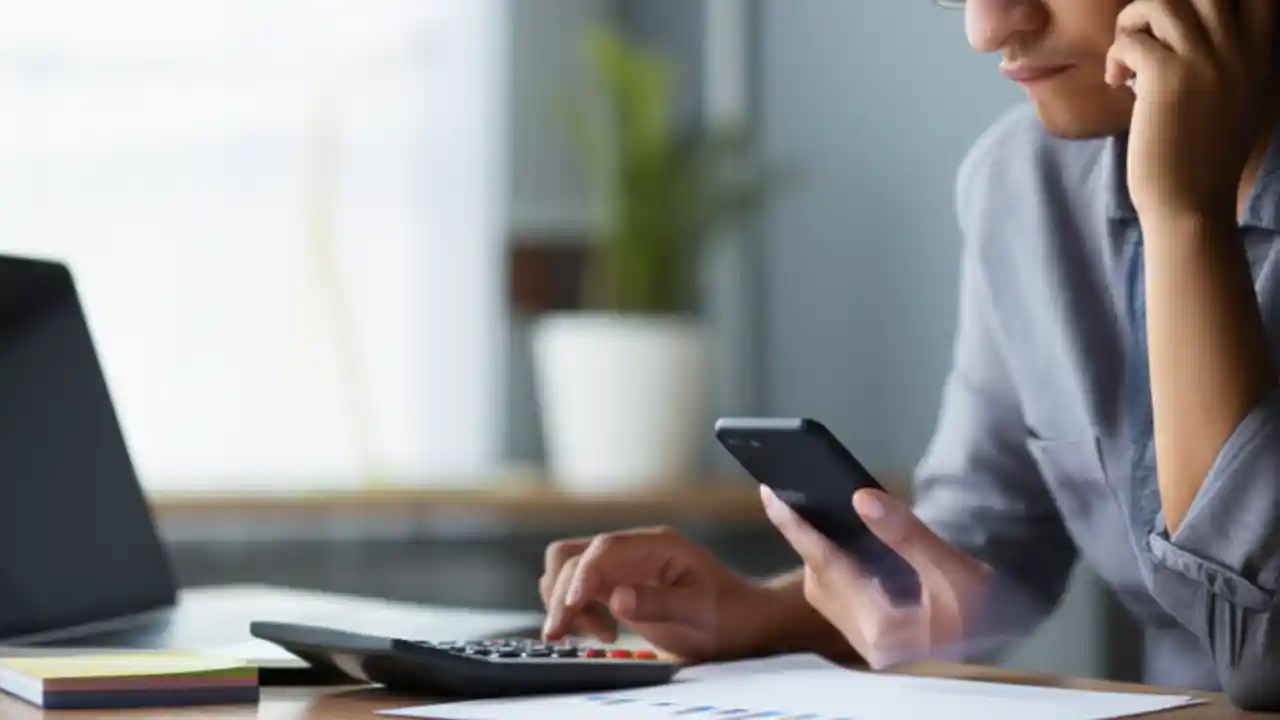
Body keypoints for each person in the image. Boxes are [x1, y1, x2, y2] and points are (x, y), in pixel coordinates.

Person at [539, 0, 1280, 710]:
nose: (987, 29)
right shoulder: (1026, 187)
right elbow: (989, 531)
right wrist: (759, 614)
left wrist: (1183, 216)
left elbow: (1267, 652)